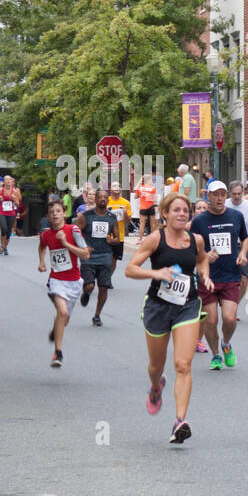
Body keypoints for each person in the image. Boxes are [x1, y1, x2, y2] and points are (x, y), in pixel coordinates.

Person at [126, 194, 211, 445]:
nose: (182, 214)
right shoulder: (155, 239)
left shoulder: (195, 240)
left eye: (186, 210)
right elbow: (130, 268)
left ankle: (179, 421)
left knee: (183, 364)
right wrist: (157, 272)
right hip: (157, 307)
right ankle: (155, 386)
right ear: (165, 213)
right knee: (156, 366)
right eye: (177, 210)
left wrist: (204, 275)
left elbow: (202, 258)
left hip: (187, 305)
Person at [191, 180, 248, 371]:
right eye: (215, 194)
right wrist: (204, 256)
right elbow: (191, 249)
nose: (219, 198)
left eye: (222, 194)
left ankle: (226, 344)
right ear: (208, 196)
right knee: (211, 320)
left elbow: (246, 238)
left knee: (229, 319)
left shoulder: (236, 216)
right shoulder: (199, 221)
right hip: (208, 277)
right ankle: (216, 354)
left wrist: (242, 253)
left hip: (231, 275)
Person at [37, 200, 91, 367]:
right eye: (52, 212)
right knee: (62, 311)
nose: (55, 214)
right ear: (48, 217)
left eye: (58, 211)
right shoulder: (45, 235)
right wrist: (41, 262)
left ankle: (57, 327)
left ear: (64, 214)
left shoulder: (72, 230)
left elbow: (85, 255)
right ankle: (58, 353)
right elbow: (41, 247)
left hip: (74, 282)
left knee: (64, 318)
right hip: (56, 280)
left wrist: (66, 244)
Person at [75, 188, 119, 326]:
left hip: (105, 256)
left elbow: (117, 237)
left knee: (103, 287)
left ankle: (97, 315)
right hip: (89, 256)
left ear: (108, 199)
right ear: (95, 199)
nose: (102, 199)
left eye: (105, 197)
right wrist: (82, 247)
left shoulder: (112, 218)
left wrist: (112, 241)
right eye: (100, 197)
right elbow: (75, 232)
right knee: (89, 286)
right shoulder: (86, 215)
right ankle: (86, 293)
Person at [0, 176, 20, 253]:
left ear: (11, 181)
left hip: (11, 212)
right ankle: (2, 245)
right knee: (3, 228)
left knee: (8, 231)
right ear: (4, 181)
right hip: (2, 212)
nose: (8, 181)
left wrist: (14, 199)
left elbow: (18, 204)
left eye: (9, 179)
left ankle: (5, 247)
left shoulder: (15, 192)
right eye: (6, 179)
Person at [136, 174, 158, 238]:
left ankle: (140, 239)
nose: (152, 181)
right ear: (148, 180)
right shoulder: (152, 188)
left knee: (142, 224)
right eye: (151, 180)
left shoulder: (140, 188)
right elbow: (155, 199)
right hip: (151, 207)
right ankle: (152, 238)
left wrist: (143, 195)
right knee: (152, 224)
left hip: (143, 207)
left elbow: (136, 196)